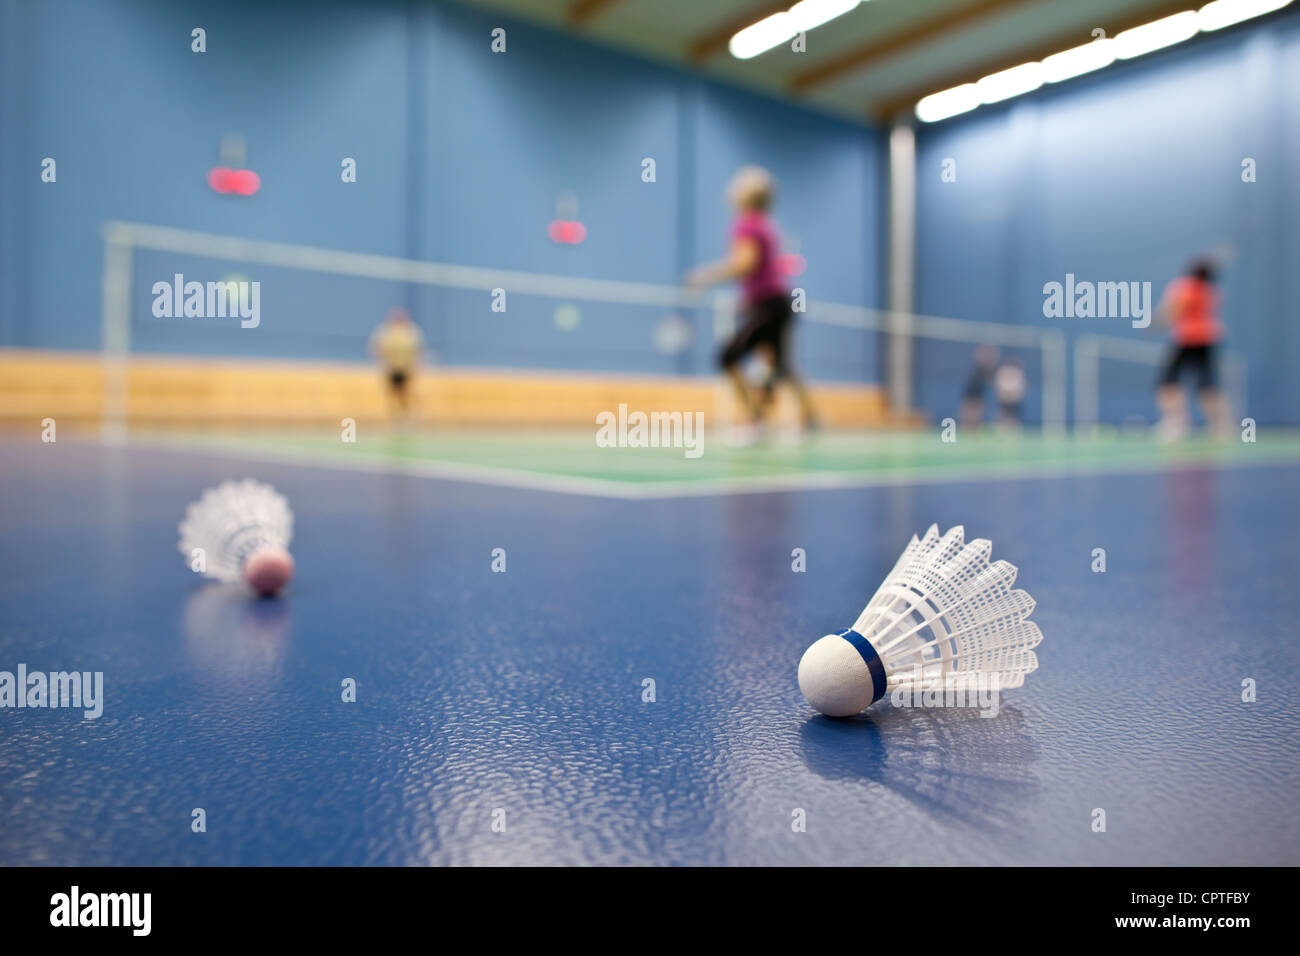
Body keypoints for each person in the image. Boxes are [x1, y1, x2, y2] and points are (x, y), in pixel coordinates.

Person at [686, 166, 817, 442]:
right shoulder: (768, 226)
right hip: (777, 303)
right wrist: (749, 300)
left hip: (770, 305)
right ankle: (808, 416)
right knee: (780, 364)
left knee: (728, 357)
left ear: (746, 195)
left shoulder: (746, 224)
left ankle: (755, 419)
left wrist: (705, 276)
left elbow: (746, 264)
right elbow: (764, 272)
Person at [1154, 259, 1226, 439]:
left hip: (1188, 339)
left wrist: (1156, 322)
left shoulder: (1184, 287)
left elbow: (1175, 309)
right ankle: (1220, 426)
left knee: (1167, 383)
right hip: (1209, 339)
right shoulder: (1212, 291)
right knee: (1208, 384)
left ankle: (1176, 423)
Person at [369, 307, 425, 424]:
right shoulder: (384, 332)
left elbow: (418, 350)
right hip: (391, 368)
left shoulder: (411, 332)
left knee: (406, 393)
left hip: (406, 368)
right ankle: (394, 417)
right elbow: (376, 348)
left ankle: (407, 416)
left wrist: (416, 365)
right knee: (392, 392)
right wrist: (382, 363)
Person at [960, 346, 998, 431]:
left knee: (977, 412)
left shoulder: (987, 369)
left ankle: (973, 428)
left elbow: (990, 381)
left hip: (979, 393)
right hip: (971, 391)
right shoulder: (976, 369)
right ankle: (966, 427)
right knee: (969, 410)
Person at [994, 357, 1026, 433]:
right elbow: (1000, 385)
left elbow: (1020, 386)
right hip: (1004, 398)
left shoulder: (1017, 373)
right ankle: (1003, 430)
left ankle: (1013, 431)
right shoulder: (1003, 372)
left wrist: (1016, 394)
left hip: (1014, 399)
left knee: (1014, 415)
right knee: (1004, 415)